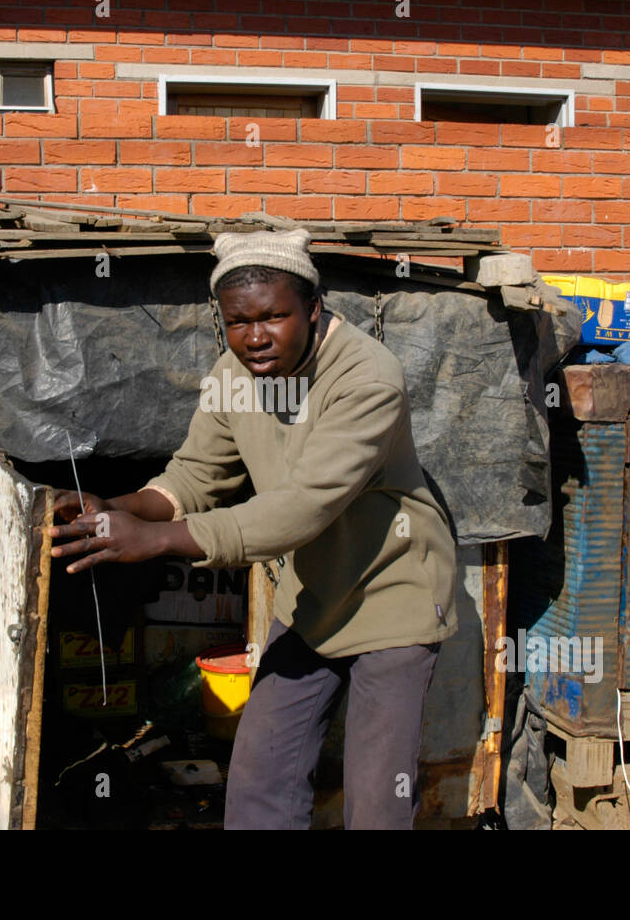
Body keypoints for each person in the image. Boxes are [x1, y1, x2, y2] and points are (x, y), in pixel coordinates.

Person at [47, 228, 458, 829]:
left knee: (378, 802)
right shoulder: (233, 375)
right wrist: (119, 505)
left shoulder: (367, 377)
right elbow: (193, 475)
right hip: (312, 598)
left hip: (392, 597)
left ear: (314, 310)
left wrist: (159, 540)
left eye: (274, 317)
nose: (256, 337)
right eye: (238, 322)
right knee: (259, 782)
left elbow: (301, 508)